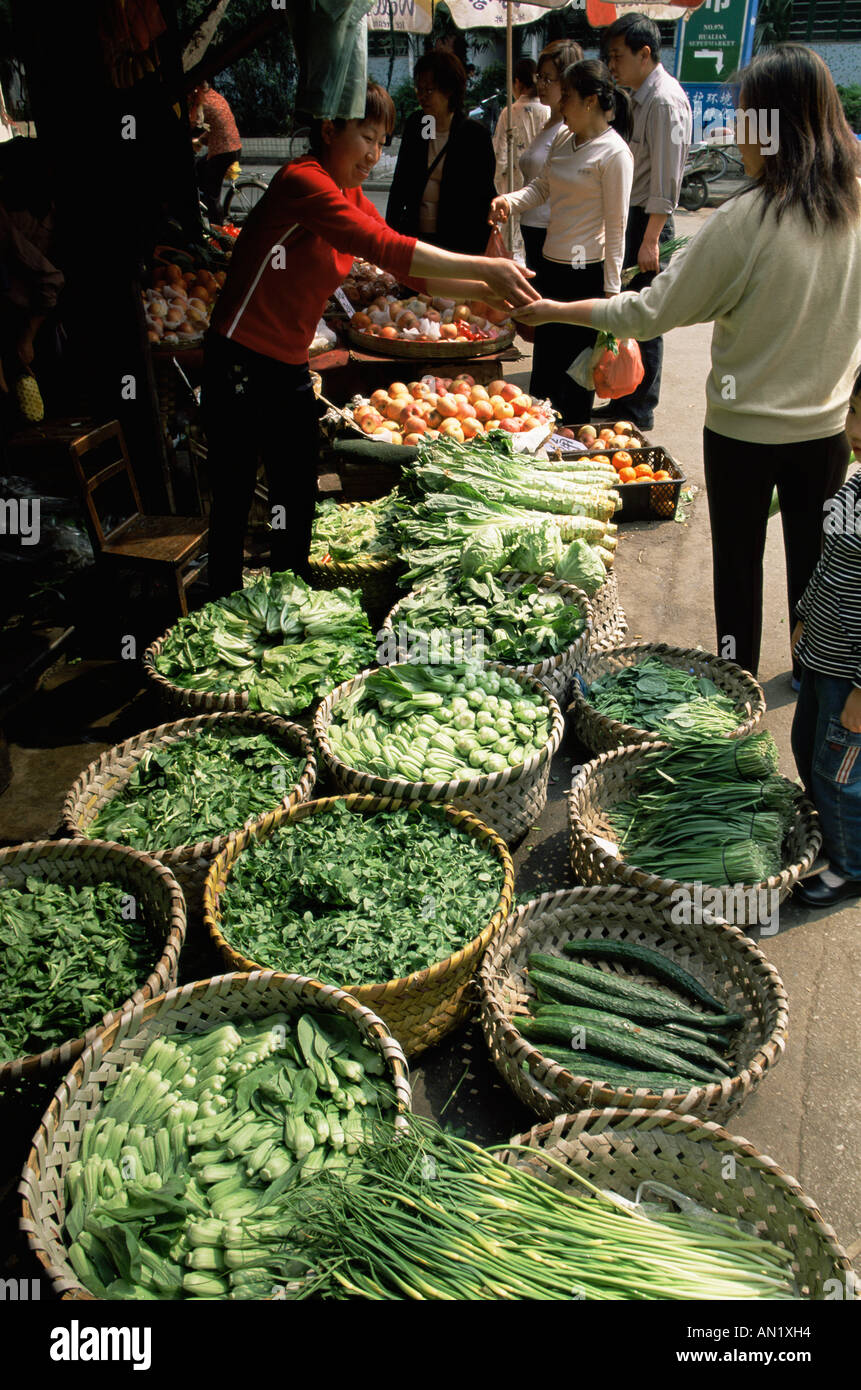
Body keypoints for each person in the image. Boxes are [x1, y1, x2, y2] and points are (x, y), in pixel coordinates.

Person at [513, 45, 861, 681]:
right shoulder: (854, 205)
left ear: (775, 125)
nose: (735, 132)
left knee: (738, 568)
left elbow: (647, 313)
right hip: (827, 436)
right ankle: (815, 691)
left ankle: (736, 691)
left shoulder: (747, 218)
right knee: (817, 574)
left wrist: (554, 311)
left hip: (743, 436)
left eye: (746, 118)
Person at [204, 82, 537, 599]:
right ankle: (220, 610)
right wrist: (487, 269)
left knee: (296, 495)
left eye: (383, 141)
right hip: (241, 358)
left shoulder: (350, 193)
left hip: (289, 363)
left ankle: (289, 609)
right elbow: (388, 245)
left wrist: (491, 292)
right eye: (366, 136)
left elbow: (411, 273)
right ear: (329, 129)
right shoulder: (302, 181)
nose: (375, 154)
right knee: (234, 495)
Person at [489, 59, 633, 422]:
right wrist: (510, 200)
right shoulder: (565, 138)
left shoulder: (615, 154)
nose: (559, 106)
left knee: (575, 379)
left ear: (588, 102)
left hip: (586, 278)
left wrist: (611, 296)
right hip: (550, 269)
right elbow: (542, 188)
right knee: (545, 375)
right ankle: (540, 449)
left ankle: (570, 452)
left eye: (565, 97)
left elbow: (617, 227)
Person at [597, 13, 691, 430]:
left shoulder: (665, 100)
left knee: (646, 316)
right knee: (630, 312)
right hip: (635, 218)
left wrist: (651, 238)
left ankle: (639, 409)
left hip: (650, 223)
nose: (612, 65)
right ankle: (626, 398)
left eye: (618, 56)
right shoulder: (638, 97)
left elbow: (667, 180)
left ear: (645, 53)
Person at [790, 368, 861, 908]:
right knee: (806, 743)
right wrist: (804, 613)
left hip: (851, 674)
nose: (856, 428)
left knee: (836, 773)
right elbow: (829, 562)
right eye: (855, 413)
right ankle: (830, 830)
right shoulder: (853, 487)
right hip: (821, 655)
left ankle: (850, 866)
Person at [386, 51, 497, 254]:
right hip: (416, 237)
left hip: (458, 241)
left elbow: (483, 197)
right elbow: (400, 184)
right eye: (419, 89)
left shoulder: (473, 135)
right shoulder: (418, 124)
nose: (422, 96)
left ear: (449, 91)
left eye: (429, 90)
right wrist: (389, 233)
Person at [515, 40, 582, 277]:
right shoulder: (549, 124)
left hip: (551, 233)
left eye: (548, 79)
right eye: (539, 77)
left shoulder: (570, 129)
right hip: (532, 228)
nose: (541, 85)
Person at [492, 57, 549, 197]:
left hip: (515, 189)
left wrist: (499, 186)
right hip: (544, 189)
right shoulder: (548, 111)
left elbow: (499, 156)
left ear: (517, 83)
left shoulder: (509, 113)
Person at [189, 80, 241, 224]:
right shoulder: (216, 97)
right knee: (200, 165)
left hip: (222, 152)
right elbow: (217, 127)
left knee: (213, 196)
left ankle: (218, 232)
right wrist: (200, 141)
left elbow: (191, 123)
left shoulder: (202, 102)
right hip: (234, 147)